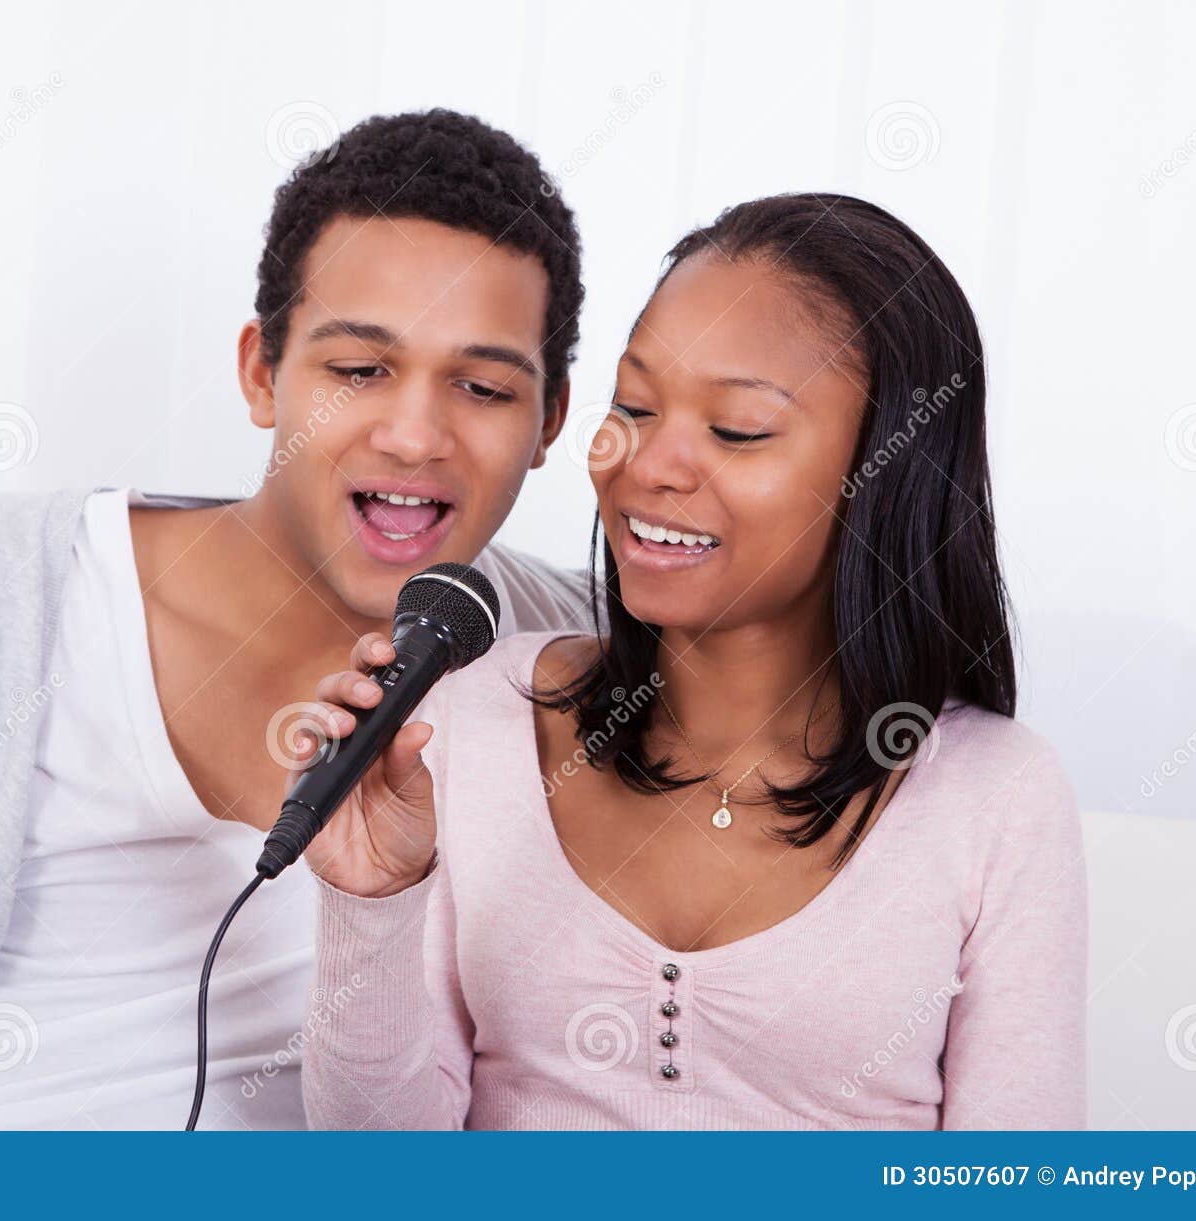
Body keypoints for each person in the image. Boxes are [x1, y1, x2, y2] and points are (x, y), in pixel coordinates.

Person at [0, 109, 596, 1131]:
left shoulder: (584, 654)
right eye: (358, 370)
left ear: (547, 421)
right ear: (259, 372)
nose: (416, 434)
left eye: (483, 386)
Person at [296, 193, 1088, 1130]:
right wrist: (372, 902)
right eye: (633, 405)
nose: (648, 463)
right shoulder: (472, 716)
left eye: (737, 429)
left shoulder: (996, 797)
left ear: (891, 469)